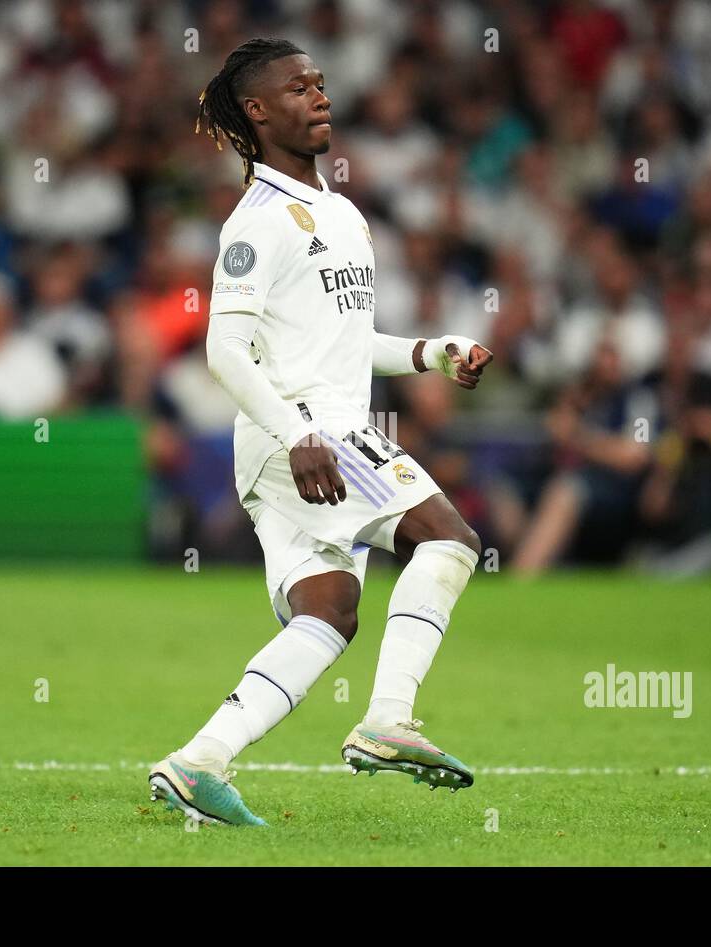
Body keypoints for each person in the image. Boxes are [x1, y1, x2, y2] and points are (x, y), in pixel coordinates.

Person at [148, 39, 493, 826]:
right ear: (258, 111)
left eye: (322, 83)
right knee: (449, 539)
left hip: (301, 439)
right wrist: (298, 434)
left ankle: (199, 761)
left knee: (329, 612)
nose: (319, 96)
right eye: (297, 87)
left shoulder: (341, 214)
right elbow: (223, 351)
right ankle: (387, 721)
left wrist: (429, 352)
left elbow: (340, 343)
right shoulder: (256, 223)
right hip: (306, 434)